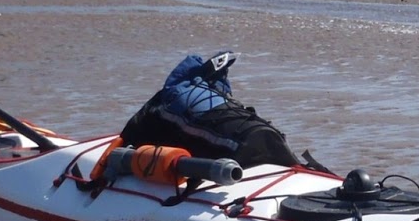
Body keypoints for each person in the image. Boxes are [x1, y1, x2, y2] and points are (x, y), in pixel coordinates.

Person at [119, 51, 302, 168]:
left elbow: (131, 135)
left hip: (245, 144)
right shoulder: (173, 101)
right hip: (272, 141)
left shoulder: (161, 104)